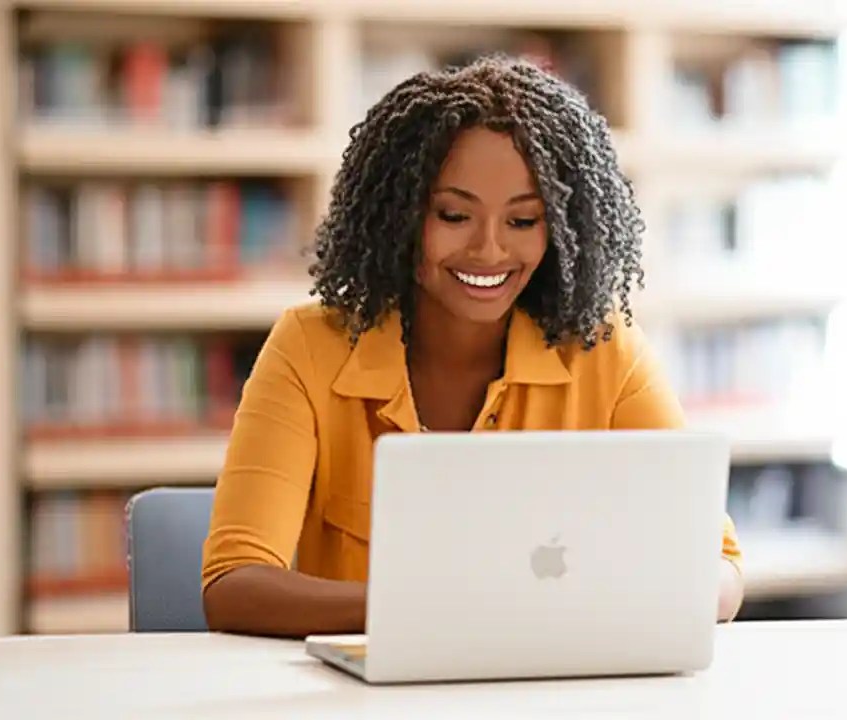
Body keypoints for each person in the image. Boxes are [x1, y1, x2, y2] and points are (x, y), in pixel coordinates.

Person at [201, 56, 745, 638]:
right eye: (454, 214)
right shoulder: (310, 347)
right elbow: (234, 587)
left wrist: (614, 600)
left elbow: (720, 572)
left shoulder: (606, 354)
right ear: (400, 215)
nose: (489, 250)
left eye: (524, 220)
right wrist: (438, 610)